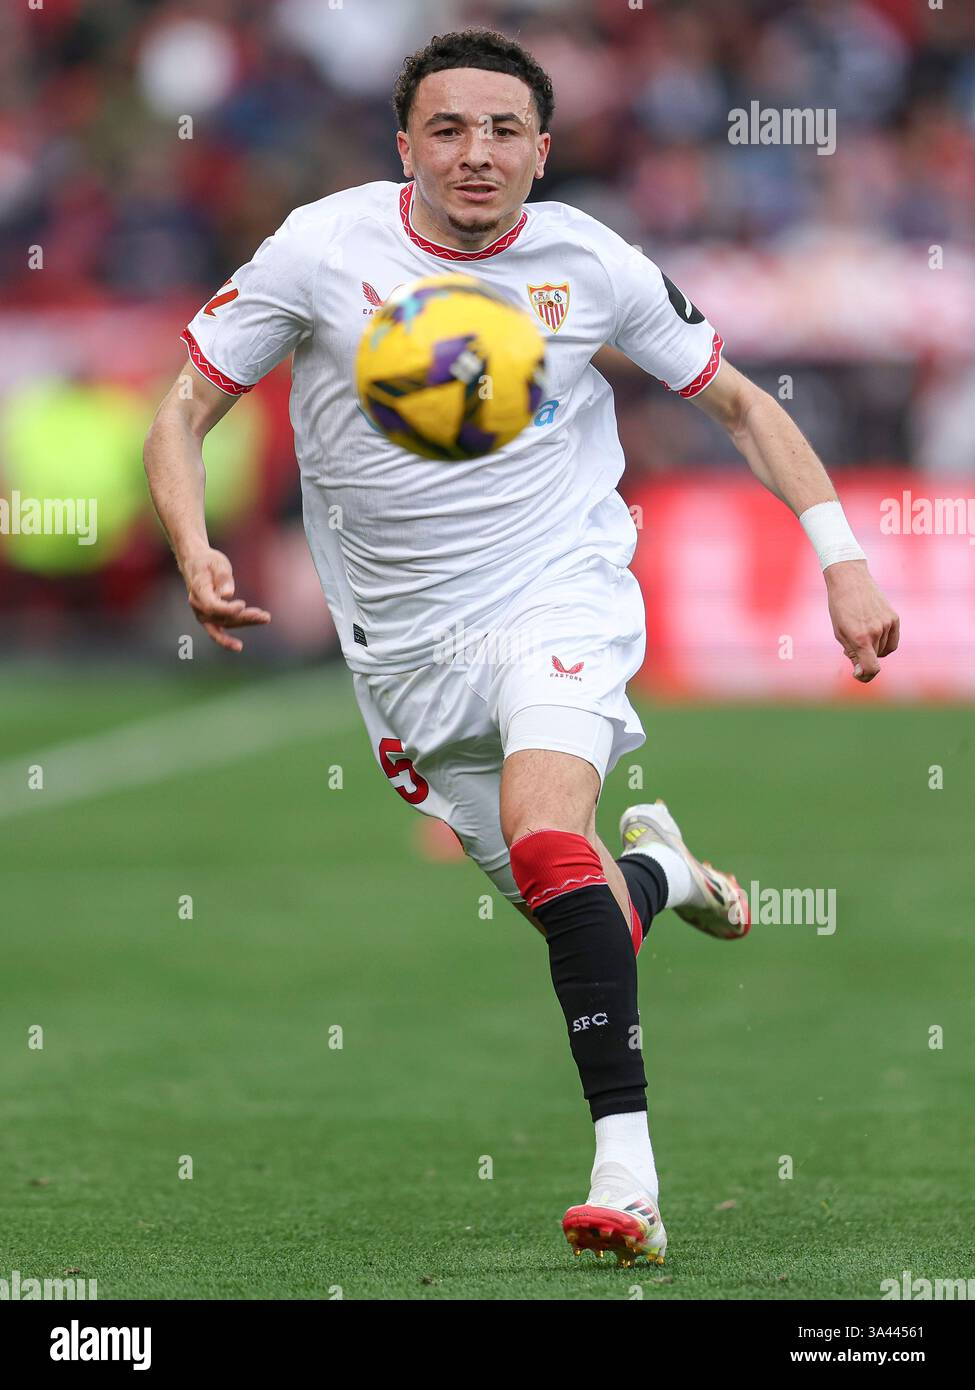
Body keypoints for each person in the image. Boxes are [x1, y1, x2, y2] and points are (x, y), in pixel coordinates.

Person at [144, 28, 899, 1268]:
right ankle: (670, 876)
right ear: (405, 146)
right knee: (577, 907)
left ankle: (628, 1176)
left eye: (503, 130)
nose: (476, 153)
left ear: (544, 148)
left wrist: (842, 553)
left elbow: (743, 406)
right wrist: (193, 543)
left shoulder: (591, 262)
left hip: (560, 595)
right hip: (403, 652)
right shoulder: (320, 249)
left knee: (555, 841)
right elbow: (182, 407)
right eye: (447, 129)